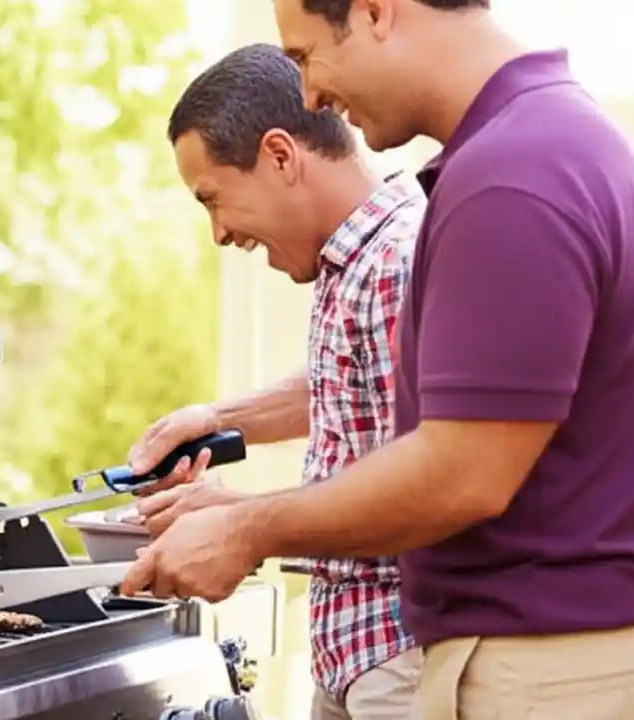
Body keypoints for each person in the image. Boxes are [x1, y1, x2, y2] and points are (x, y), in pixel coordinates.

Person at [120, 1, 634, 718]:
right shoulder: (552, 140)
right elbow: (459, 385)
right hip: (573, 654)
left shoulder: (512, 174)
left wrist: (246, 526)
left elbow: (461, 474)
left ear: (374, 11)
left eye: (303, 57)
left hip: (544, 667)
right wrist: (224, 421)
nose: (308, 99)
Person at [126, 43, 427, 719]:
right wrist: (216, 418)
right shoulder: (359, 257)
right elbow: (350, 382)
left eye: (213, 199)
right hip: (359, 658)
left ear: (282, 157)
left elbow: (421, 494)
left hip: (405, 662)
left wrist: (242, 522)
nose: (218, 234)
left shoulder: (398, 262)